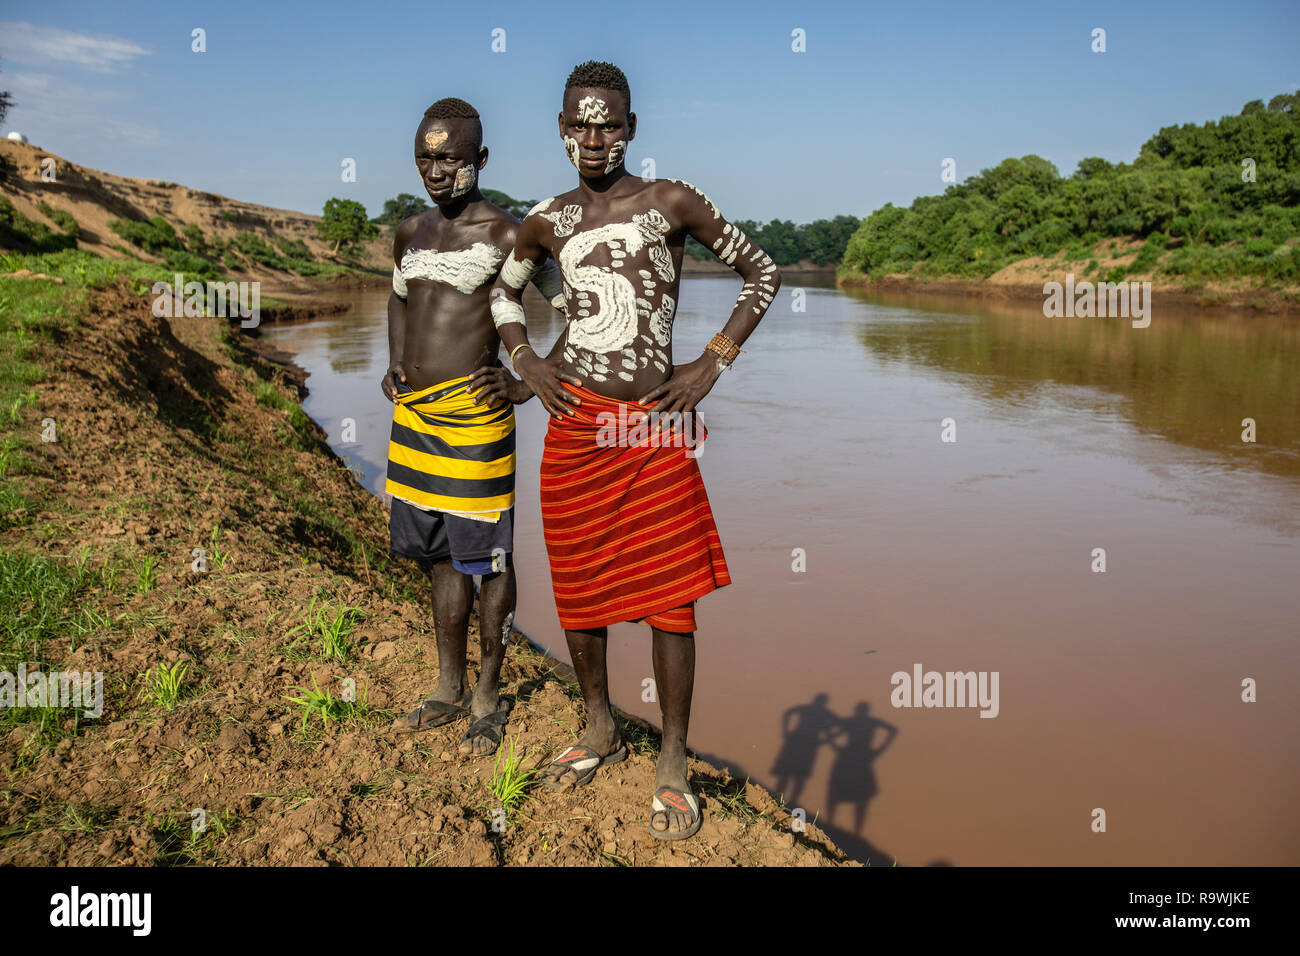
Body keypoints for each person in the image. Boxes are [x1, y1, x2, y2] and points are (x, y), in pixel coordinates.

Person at [487, 61, 780, 839]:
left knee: (668, 596)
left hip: (652, 425)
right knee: (579, 586)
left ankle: (674, 759)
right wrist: (528, 363)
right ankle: (598, 728)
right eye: (580, 124)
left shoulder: (671, 201)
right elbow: (503, 293)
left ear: (631, 130)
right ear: (560, 131)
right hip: (575, 423)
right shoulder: (546, 220)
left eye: (608, 123)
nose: (594, 137)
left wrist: (712, 360)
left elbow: (763, 271)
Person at [384, 97, 564, 757]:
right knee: (437, 554)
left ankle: (488, 692)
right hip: (416, 418)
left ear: (479, 160)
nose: (436, 170)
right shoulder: (410, 233)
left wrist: (527, 379)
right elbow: (399, 300)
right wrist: (395, 363)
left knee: (486, 557)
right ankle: (446, 685)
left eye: (450, 158)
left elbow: (575, 308)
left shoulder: (509, 235)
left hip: (477, 415)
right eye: (426, 156)